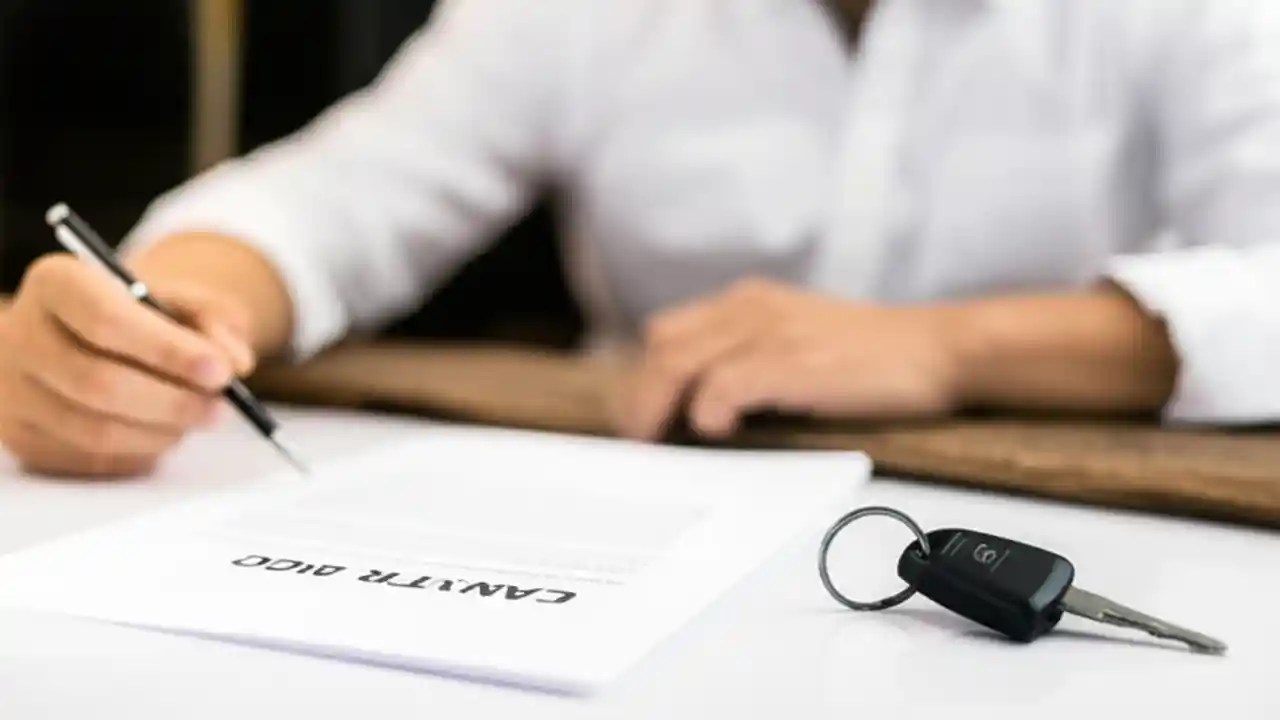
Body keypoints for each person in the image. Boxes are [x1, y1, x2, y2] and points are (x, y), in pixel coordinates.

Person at [2, 0, 1279, 476]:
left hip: (1060, 526)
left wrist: (950, 348)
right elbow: (334, 201)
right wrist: (153, 316)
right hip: (639, 507)